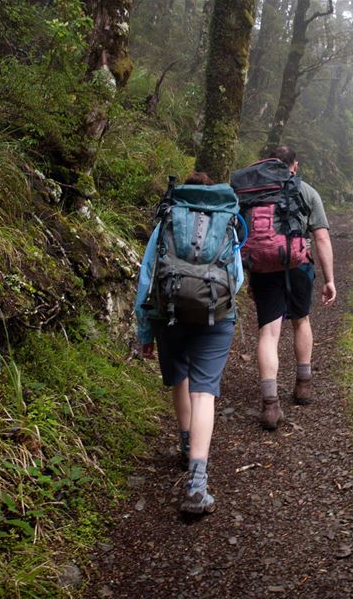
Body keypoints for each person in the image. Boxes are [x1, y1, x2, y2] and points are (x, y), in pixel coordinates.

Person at [134, 170, 244, 514]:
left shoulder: (168, 219)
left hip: (170, 314)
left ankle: (186, 445)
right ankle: (197, 484)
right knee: (204, 390)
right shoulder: (225, 221)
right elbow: (237, 277)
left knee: (179, 377)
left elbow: (147, 278)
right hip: (216, 316)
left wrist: (144, 333)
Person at [245, 146, 336, 430]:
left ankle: (270, 405)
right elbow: (320, 238)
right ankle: (303, 385)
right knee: (301, 320)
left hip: (263, 267)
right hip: (298, 265)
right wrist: (329, 279)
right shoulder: (306, 191)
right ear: (293, 166)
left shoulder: (252, 192)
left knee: (269, 332)